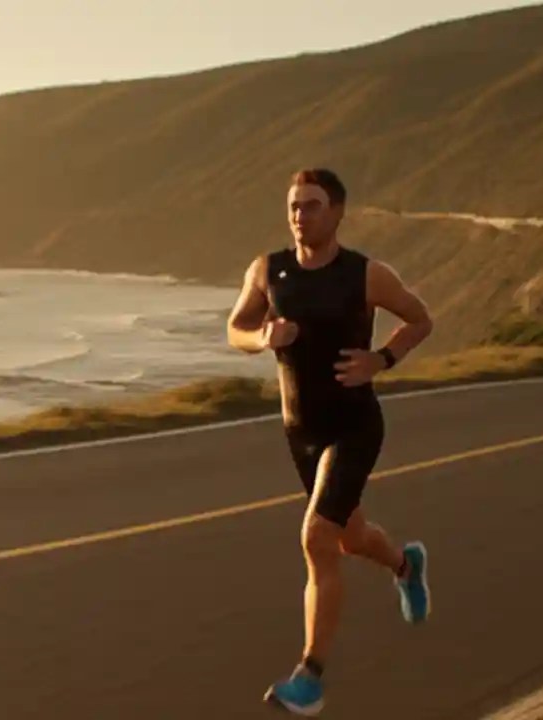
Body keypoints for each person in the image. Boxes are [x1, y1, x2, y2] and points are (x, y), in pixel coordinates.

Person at [225, 168, 434, 715]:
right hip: (301, 433)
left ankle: (309, 676)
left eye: (312, 205)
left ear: (337, 212)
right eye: (294, 205)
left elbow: (419, 318)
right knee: (349, 535)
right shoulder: (267, 271)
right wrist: (260, 337)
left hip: (354, 426)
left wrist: (380, 360)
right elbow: (235, 329)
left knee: (317, 538)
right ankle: (406, 565)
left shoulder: (366, 275)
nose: (300, 215)